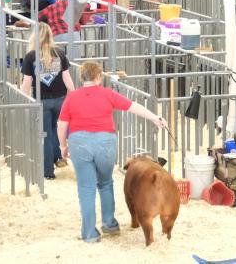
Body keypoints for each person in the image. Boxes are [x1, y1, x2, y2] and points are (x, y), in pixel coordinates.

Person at [57, 61, 167, 243]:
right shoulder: (108, 94)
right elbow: (133, 107)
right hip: (105, 142)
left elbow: (62, 125)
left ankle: (89, 234)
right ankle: (109, 224)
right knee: (106, 183)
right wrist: (155, 118)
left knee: (86, 188)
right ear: (99, 77)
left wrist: (63, 146)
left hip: (79, 143)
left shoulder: (72, 97)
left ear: (81, 77)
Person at [20, 28, 75, 179]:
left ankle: (48, 172)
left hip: (42, 100)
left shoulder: (31, 56)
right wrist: (73, 94)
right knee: (56, 129)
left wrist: (22, 99)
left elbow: (27, 83)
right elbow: (67, 78)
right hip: (60, 99)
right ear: (51, 36)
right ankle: (58, 157)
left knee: (45, 135)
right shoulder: (59, 53)